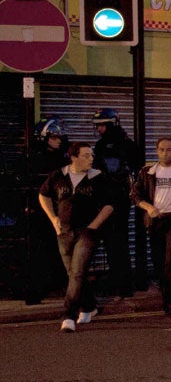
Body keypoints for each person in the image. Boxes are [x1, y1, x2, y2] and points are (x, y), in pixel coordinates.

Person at [39, 141, 117, 332]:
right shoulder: (59, 175)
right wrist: (53, 218)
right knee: (73, 274)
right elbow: (43, 195)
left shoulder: (98, 177)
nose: (91, 159)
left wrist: (93, 226)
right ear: (73, 157)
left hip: (86, 232)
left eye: (91, 155)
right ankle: (90, 307)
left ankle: (68, 316)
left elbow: (109, 205)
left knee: (77, 272)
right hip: (64, 231)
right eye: (86, 155)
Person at [132, 136, 171, 316]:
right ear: (157, 151)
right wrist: (148, 207)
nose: (165, 153)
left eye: (169, 150)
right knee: (158, 262)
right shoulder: (147, 172)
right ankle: (168, 296)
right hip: (155, 222)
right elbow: (135, 195)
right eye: (162, 150)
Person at [91, 108, 143, 297]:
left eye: (102, 125)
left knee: (118, 239)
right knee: (109, 240)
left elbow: (136, 171)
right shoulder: (99, 146)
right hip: (103, 197)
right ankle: (116, 277)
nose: (99, 130)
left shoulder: (127, 145)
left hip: (119, 198)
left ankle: (123, 282)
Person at [24, 118, 69, 304]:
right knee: (39, 252)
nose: (59, 140)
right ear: (44, 137)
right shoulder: (32, 160)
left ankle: (64, 286)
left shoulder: (64, 159)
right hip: (40, 213)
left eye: (59, 137)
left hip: (61, 211)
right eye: (54, 137)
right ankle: (37, 290)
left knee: (62, 250)